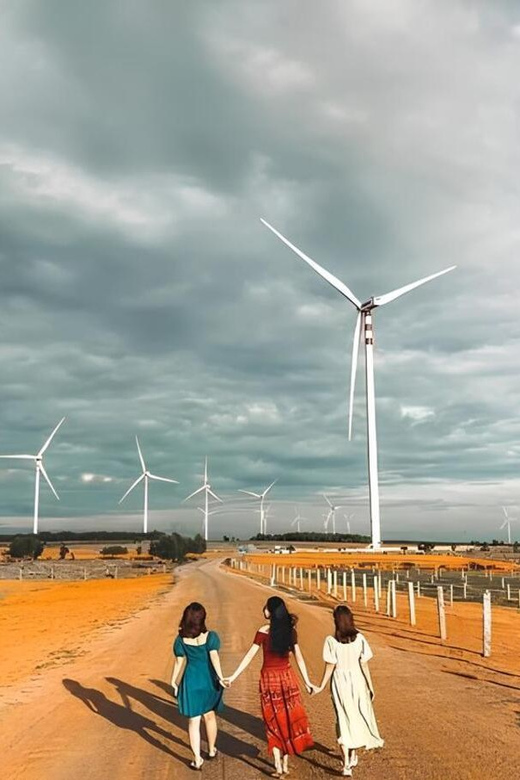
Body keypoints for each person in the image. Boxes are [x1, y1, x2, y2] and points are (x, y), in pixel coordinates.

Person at [224, 596, 314, 778]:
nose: (263, 610)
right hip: (287, 678)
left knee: (272, 721)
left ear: (271, 611)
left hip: (269, 680)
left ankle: (278, 766)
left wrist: (233, 676)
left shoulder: (263, 631)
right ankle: (285, 763)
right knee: (287, 719)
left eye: (266, 607)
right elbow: (299, 657)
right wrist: (307, 681)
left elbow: (249, 656)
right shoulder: (290, 632)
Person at [313, 605, 383, 776]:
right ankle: (352, 755)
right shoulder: (360, 639)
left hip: (339, 682)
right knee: (355, 716)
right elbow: (364, 664)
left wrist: (321, 685)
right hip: (358, 681)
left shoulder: (331, 641)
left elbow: (330, 666)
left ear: (336, 621)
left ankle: (346, 764)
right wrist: (370, 686)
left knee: (343, 719)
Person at [171, 602, 226, 770]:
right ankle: (211, 750)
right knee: (209, 716)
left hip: (191, 682)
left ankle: (197, 759)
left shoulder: (181, 640)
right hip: (208, 680)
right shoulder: (211, 637)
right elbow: (214, 657)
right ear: (202, 618)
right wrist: (221, 677)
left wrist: (173, 681)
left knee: (193, 722)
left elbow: (179, 661)